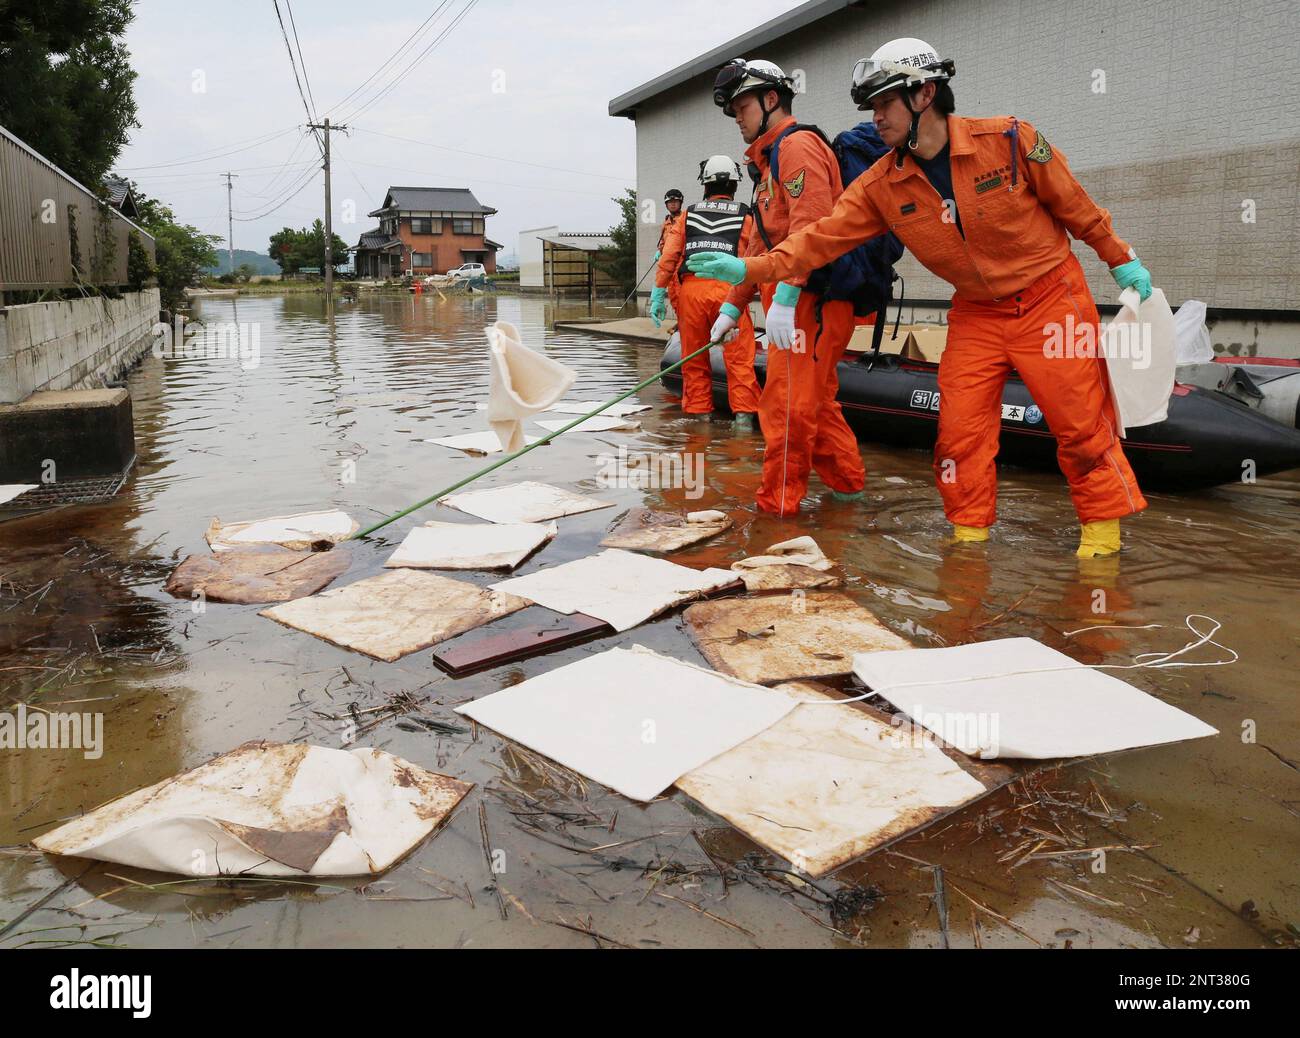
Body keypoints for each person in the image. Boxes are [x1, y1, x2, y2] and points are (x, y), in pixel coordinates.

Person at [689, 39, 1151, 557]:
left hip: (1050, 298)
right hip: (976, 311)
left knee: (1079, 424)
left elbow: (1076, 207)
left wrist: (1121, 259)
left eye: (885, 103)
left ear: (924, 93)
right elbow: (819, 238)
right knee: (959, 434)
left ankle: (1102, 539)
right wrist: (751, 271)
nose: (875, 117)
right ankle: (969, 542)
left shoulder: (1010, 140)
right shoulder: (882, 184)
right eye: (872, 106)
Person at [706, 57, 868, 516]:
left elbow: (811, 226)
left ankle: (777, 513)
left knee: (785, 407)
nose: (736, 116)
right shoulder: (767, 166)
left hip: (810, 302)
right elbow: (758, 245)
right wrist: (732, 309)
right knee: (817, 403)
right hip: (797, 302)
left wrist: (790, 296)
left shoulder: (796, 149)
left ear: (771, 99)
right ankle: (848, 496)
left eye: (741, 106)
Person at [650, 156, 760, 428]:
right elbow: (757, 257)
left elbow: (669, 256)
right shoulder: (747, 215)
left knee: (695, 360)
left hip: (692, 294)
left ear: (704, 185)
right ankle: (744, 425)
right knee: (739, 360)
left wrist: (657, 293)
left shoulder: (688, 214)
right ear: (735, 184)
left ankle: (700, 424)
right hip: (730, 294)